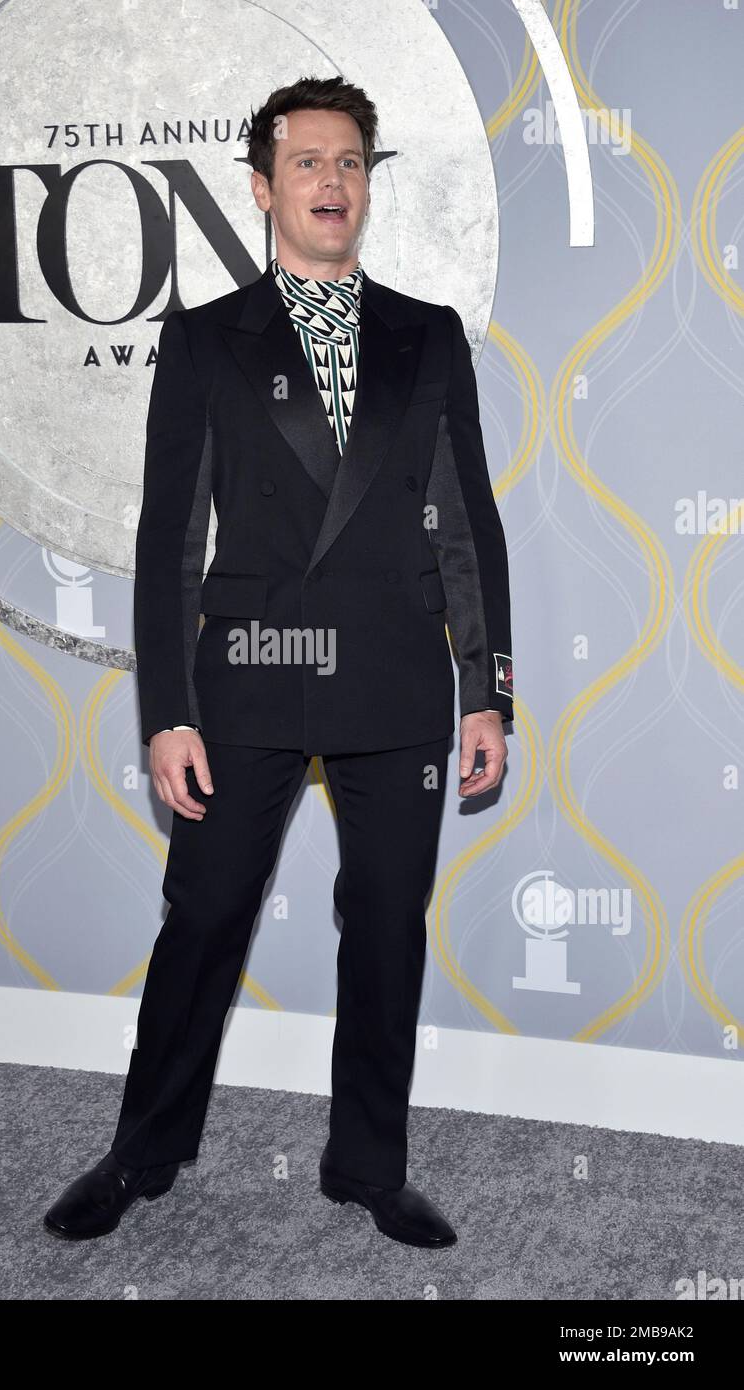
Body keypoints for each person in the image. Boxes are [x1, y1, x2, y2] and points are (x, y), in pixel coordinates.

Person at [44, 74, 513, 1248]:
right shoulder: (204, 340)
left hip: (395, 682)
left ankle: (367, 1166)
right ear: (261, 188)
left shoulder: (427, 335)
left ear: (367, 184)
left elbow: (467, 524)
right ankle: (142, 1151)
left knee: (389, 921)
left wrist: (485, 689)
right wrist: (168, 711)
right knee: (201, 916)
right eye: (306, 163)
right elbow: (168, 537)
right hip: (247, 674)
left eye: (349, 162)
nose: (331, 183)